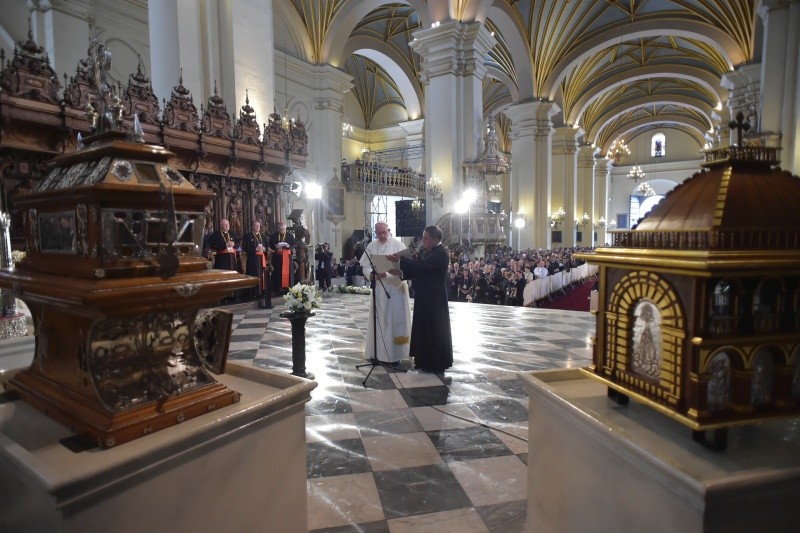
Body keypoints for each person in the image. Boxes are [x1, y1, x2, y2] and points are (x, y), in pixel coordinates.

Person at [387, 225, 452, 373]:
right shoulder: (429, 251)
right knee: (423, 328)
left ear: (435, 240)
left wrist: (400, 259)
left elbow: (422, 265)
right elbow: (420, 271)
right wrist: (400, 272)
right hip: (425, 296)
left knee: (433, 329)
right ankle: (423, 359)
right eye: (423, 237)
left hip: (434, 298)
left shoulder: (440, 253)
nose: (423, 240)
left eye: (426, 238)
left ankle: (434, 362)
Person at [360, 222, 411, 364]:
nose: (382, 235)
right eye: (379, 233)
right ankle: (377, 353)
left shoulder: (398, 245)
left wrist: (388, 272)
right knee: (379, 320)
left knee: (396, 321)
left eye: (384, 232)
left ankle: (397, 354)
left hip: (395, 288)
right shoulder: (371, 246)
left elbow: (406, 265)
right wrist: (372, 274)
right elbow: (365, 265)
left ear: (389, 231)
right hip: (379, 288)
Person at [269, 221, 296, 294]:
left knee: (288, 272)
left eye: (283, 229)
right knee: (277, 272)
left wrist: (288, 246)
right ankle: (277, 288)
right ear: (278, 229)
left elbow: (293, 244)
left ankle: (288, 288)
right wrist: (275, 247)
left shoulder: (290, 236)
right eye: (281, 229)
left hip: (287, 257)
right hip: (277, 257)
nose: (282, 231)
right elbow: (271, 244)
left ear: (285, 228)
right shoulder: (274, 236)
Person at [243, 220, 267, 299]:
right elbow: (245, 248)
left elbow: (266, 247)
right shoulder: (248, 236)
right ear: (252, 227)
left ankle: (262, 291)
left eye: (259, 226)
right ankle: (253, 293)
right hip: (252, 259)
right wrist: (255, 249)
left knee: (262, 275)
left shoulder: (263, 236)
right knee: (253, 274)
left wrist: (264, 249)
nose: (257, 227)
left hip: (261, 259)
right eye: (256, 226)